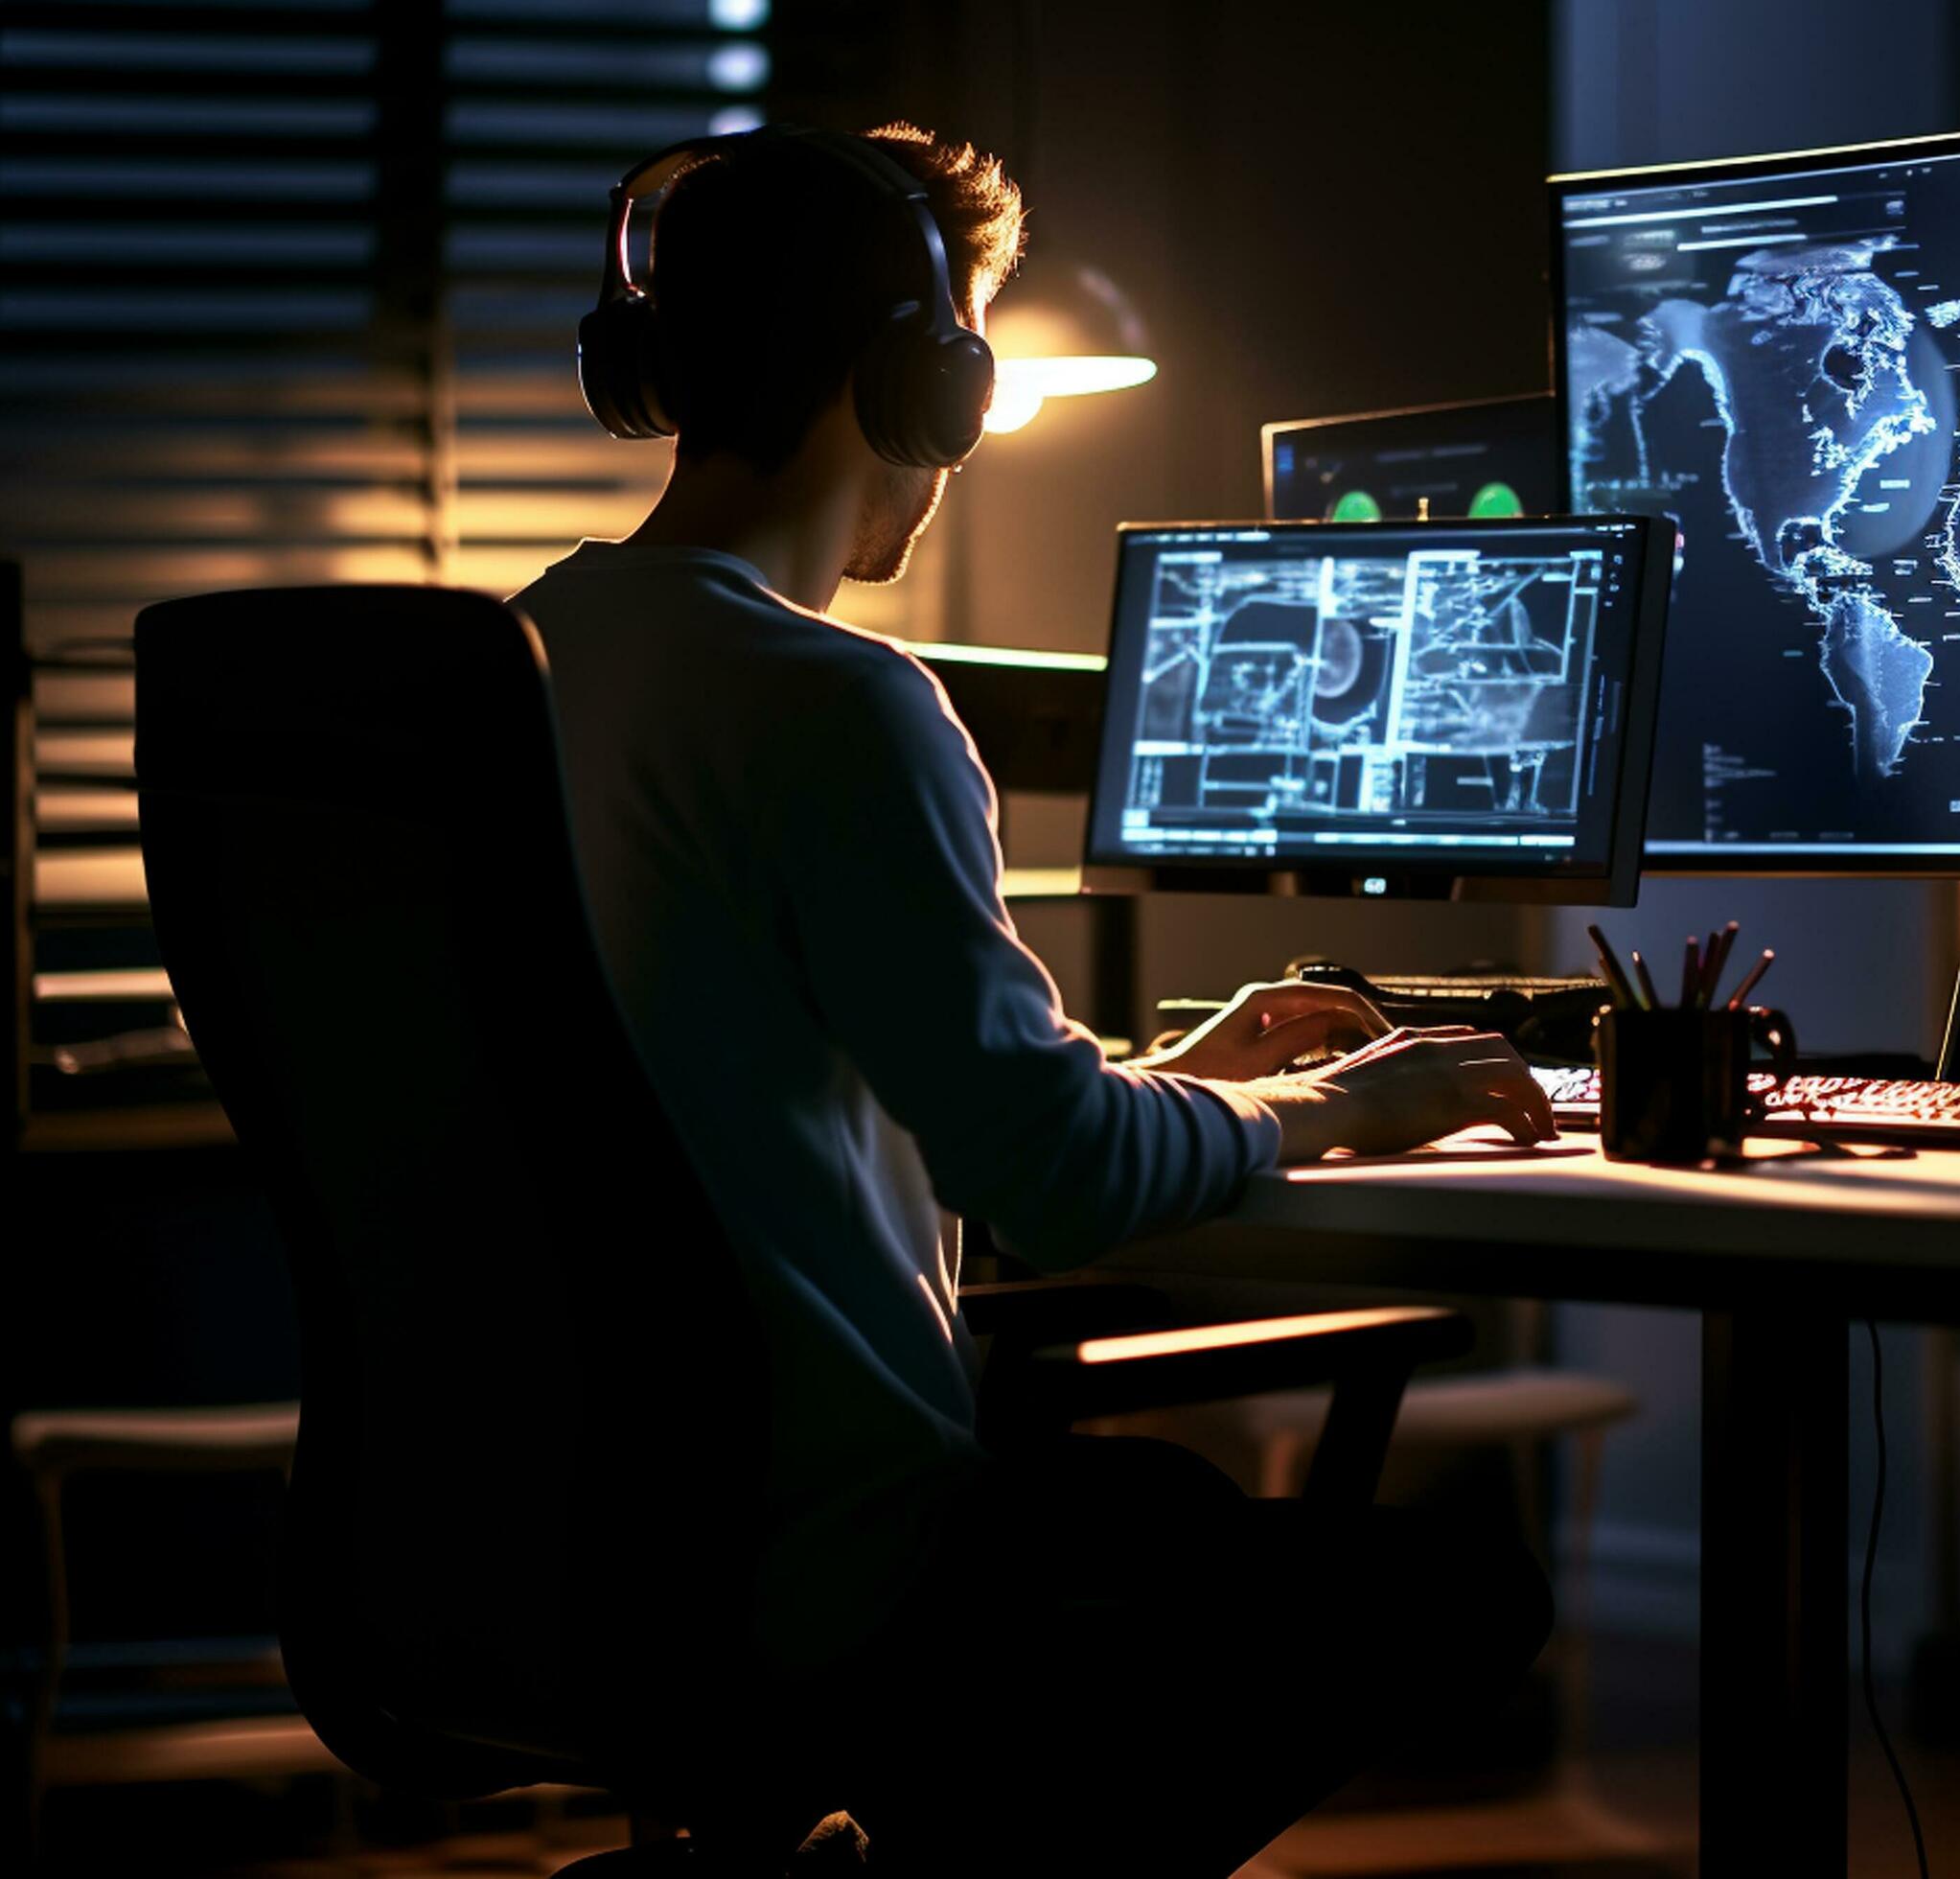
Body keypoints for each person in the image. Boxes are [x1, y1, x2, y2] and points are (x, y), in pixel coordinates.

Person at [510, 124, 1552, 1871]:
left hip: (573, 1539)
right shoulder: (834, 701)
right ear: (926, 384)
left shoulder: (534, 654)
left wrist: (1172, 1078)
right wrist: (1342, 1104)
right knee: (1451, 1591)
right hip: (833, 1562)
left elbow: (771, 1085)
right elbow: (1056, 1187)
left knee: (1156, 1517)